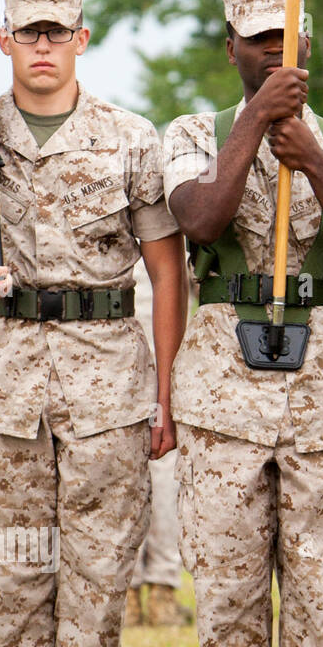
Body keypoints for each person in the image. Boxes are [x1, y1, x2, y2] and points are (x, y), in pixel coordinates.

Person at [0, 0, 186, 647]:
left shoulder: (129, 139)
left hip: (107, 395)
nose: (45, 45)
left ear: (82, 38)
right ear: (5, 39)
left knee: (96, 595)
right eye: (31, 31)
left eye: (59, 31)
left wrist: (167, 394)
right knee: (11, 593)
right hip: (1, 395)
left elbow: (166, 268)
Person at [161, 0, 323, 647]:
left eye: (287, 38)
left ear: (308, 43)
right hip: (221, 408)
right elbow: (202, 220)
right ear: (231, 50)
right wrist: (255, 123)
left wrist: (312, 155)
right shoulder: (190, 135)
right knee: (227, 608)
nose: (275, 52)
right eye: (258, 41)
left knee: (317, 608)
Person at [125, 258, 193, 627]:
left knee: (126, 450)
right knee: (163, 456)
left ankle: (131, 592)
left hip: (117, 291)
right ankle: (162, 590)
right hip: (156, 285)